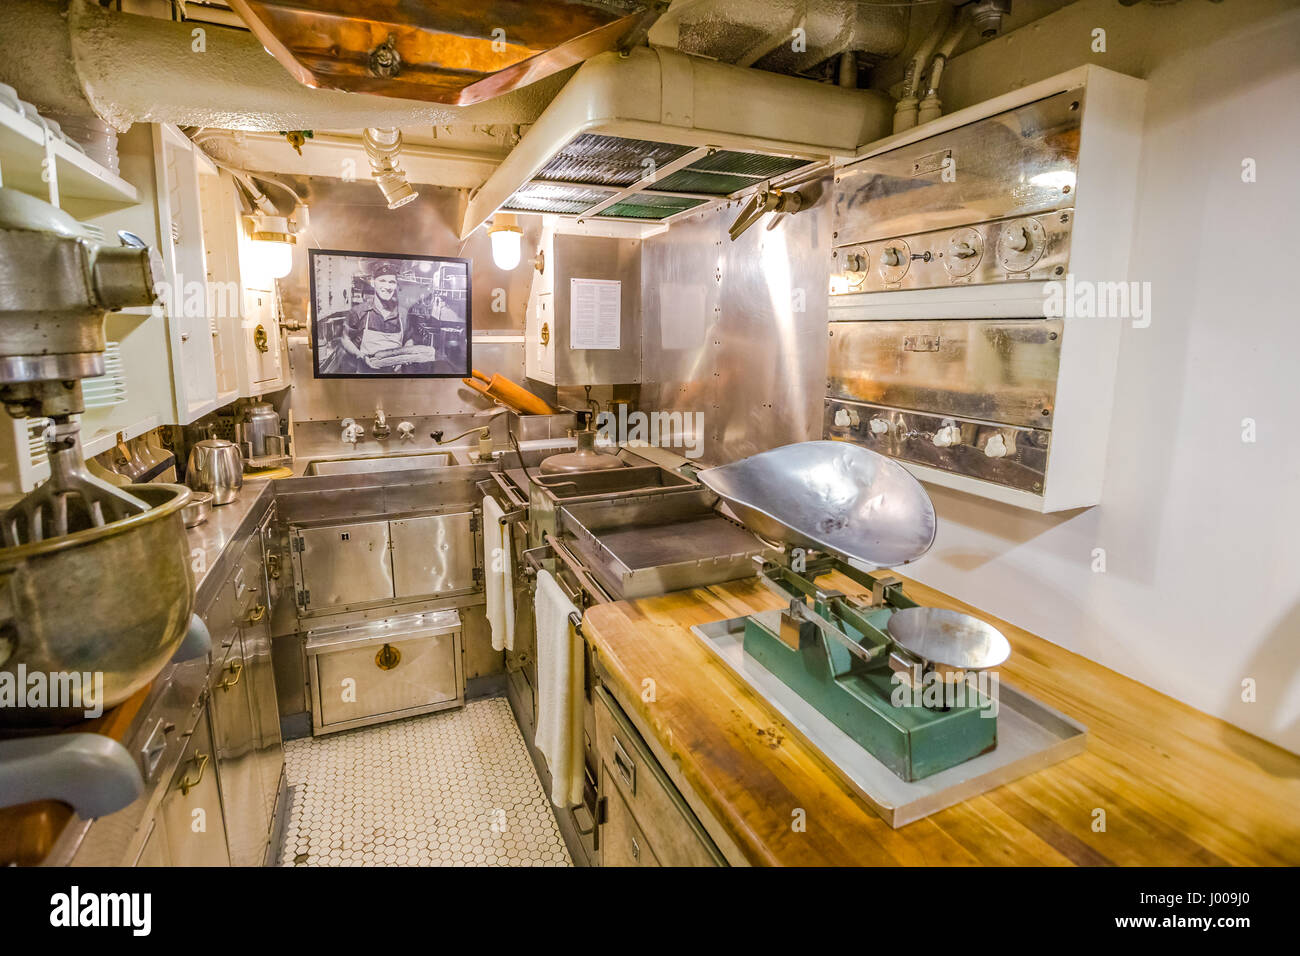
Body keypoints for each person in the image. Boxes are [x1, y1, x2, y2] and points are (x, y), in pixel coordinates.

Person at [340, 260, 408, 372]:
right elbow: (345, 339)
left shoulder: (403, 313)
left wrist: (404, 357)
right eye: (382, 280)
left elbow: (408, 339)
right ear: (373, 283)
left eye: (392, 282)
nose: (387, 286)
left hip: (395, 379)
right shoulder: (358, 312)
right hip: (366, 375)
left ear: (396, 285)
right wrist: (360, 356)